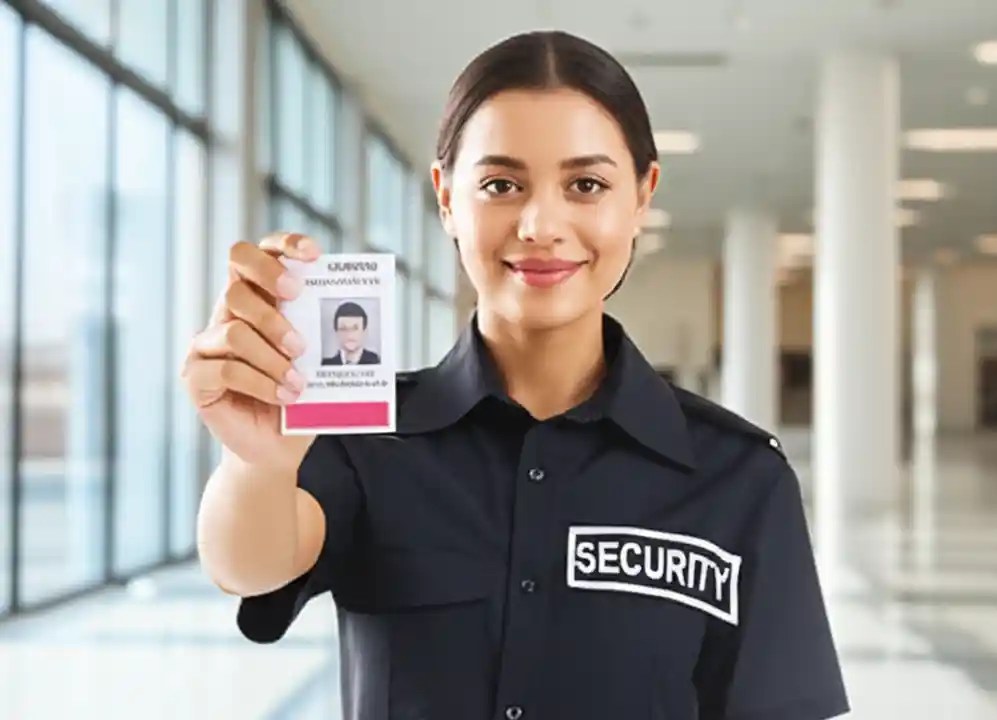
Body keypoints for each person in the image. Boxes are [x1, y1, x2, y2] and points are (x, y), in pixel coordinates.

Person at [183, 30, 848, 720]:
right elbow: (250, 566)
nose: (540, 224)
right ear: (446, 198)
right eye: (501, 185)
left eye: (585, 185)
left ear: (642, 195)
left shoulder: (737, 477)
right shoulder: (366, 440)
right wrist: (255, 464)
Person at [321, 301, 381, 366]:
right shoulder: (326, 364)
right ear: (336, 332)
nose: (349, 335)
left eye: (355, 328)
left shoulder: (376, 362)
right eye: (343, 329)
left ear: (365, 332)